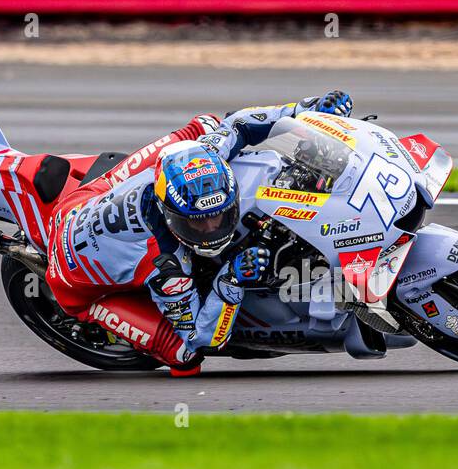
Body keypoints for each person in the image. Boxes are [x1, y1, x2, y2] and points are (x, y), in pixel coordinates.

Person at [42, 91, 353, 373]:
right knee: (184, 357)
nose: (212, 228)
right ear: (172, 217)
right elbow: (201, 338)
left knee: (207, 125)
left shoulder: (209, 156)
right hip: (72, 282)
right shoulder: (168, 269)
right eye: (198, 223)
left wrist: (306, 110)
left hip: (89, 196)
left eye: (219, 216)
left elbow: (238, 124)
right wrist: (231, 279)